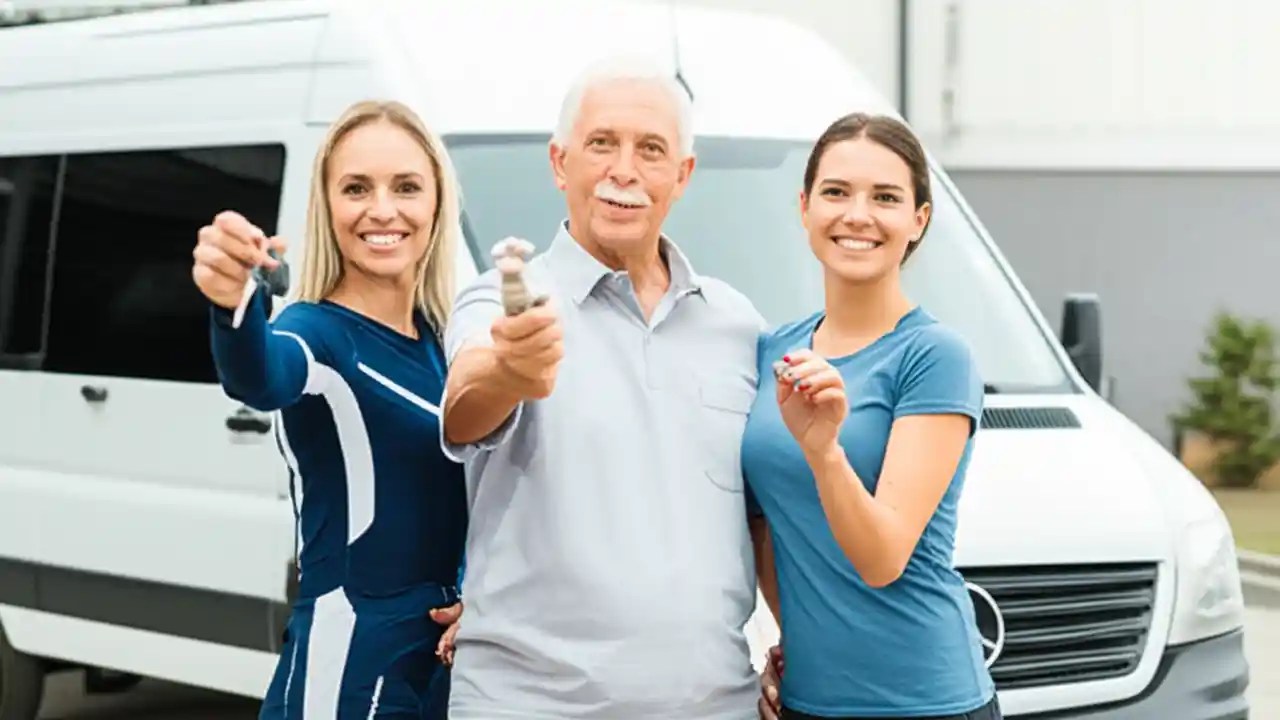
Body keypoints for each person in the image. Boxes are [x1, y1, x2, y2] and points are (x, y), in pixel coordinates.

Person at [438, 56, 765, 719]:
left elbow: (762, 514)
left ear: (684, 174)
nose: (625, 169)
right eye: (602, 144)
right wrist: (509, 370)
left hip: (715, 706)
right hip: (529, 705)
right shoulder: (503, 302)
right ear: (560, 164)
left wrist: (800, 643)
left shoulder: (738, 325)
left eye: (650, 149)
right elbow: (464, 407)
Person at [191, 99, 468, 719]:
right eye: (356, 188)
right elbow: (260, 375)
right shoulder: (316, 333)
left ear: (436, 203)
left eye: (405, 187)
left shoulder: (445, 343)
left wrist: (480, 594)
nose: (382, 209)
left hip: (441, 675)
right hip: (345, 667)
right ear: (328, 207)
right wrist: (232, 303)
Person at [744, 112, 1001, 720]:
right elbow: (763, 524)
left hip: (927, 701)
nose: (858, 214)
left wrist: (825, 450)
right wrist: (803, 642)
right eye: (837, 192)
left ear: (919, 219)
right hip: (808, 697)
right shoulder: (771, 352)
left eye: (885, 197)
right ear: (805, 207)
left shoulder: (934, 356)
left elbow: (883, 558)